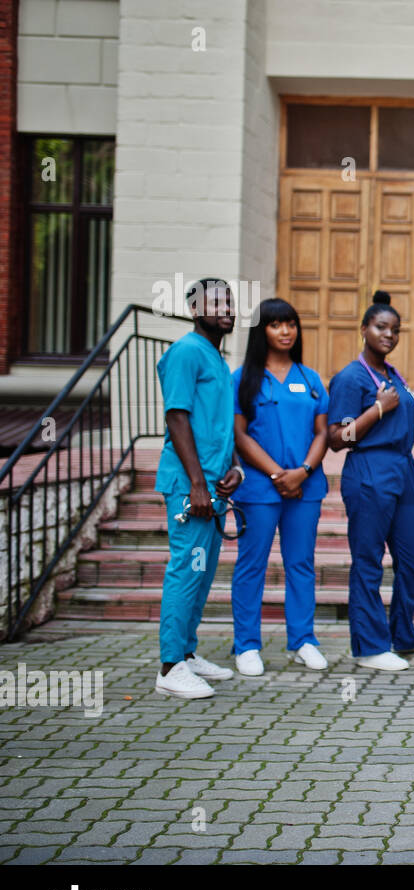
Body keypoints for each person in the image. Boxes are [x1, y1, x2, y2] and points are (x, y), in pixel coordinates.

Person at [326, 291, 414, 670]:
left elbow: (398, 411)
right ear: (364, 329)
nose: (388, 335)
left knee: (413, 557)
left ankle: (403, 635)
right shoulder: (350, 377)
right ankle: (370, 647)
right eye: (380, 327)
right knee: (368, 559)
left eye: (395, 329)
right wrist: (378, 409)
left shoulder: (394, 374)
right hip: (369, 471)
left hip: (403, 470)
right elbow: (336, 439)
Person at [229, 298, 330, 676]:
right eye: (276, 325)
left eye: (291, 324)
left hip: (306, 487)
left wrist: (302, 471)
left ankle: (303, 640)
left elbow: (322, 432)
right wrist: (277, 474)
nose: (286, 331)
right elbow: (239, 435)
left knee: (301, 564)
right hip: (259, 488)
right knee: (252, 565)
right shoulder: (243, 379)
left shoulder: (310, 378)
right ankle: (247, 646)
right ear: (262, 331)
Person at [153, 277, 243, 699]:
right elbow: (176, 417)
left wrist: (236, 469)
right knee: (185, 572)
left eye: (230, 302)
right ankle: (170, 667)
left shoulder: (217, 359)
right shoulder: (187, 352)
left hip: (214, 485)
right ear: (194, 310)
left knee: (201, 574)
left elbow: (223, 428)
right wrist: (197, 484)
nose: (226, 309)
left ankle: (187, 655)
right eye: (216, 303)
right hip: (192, 486)